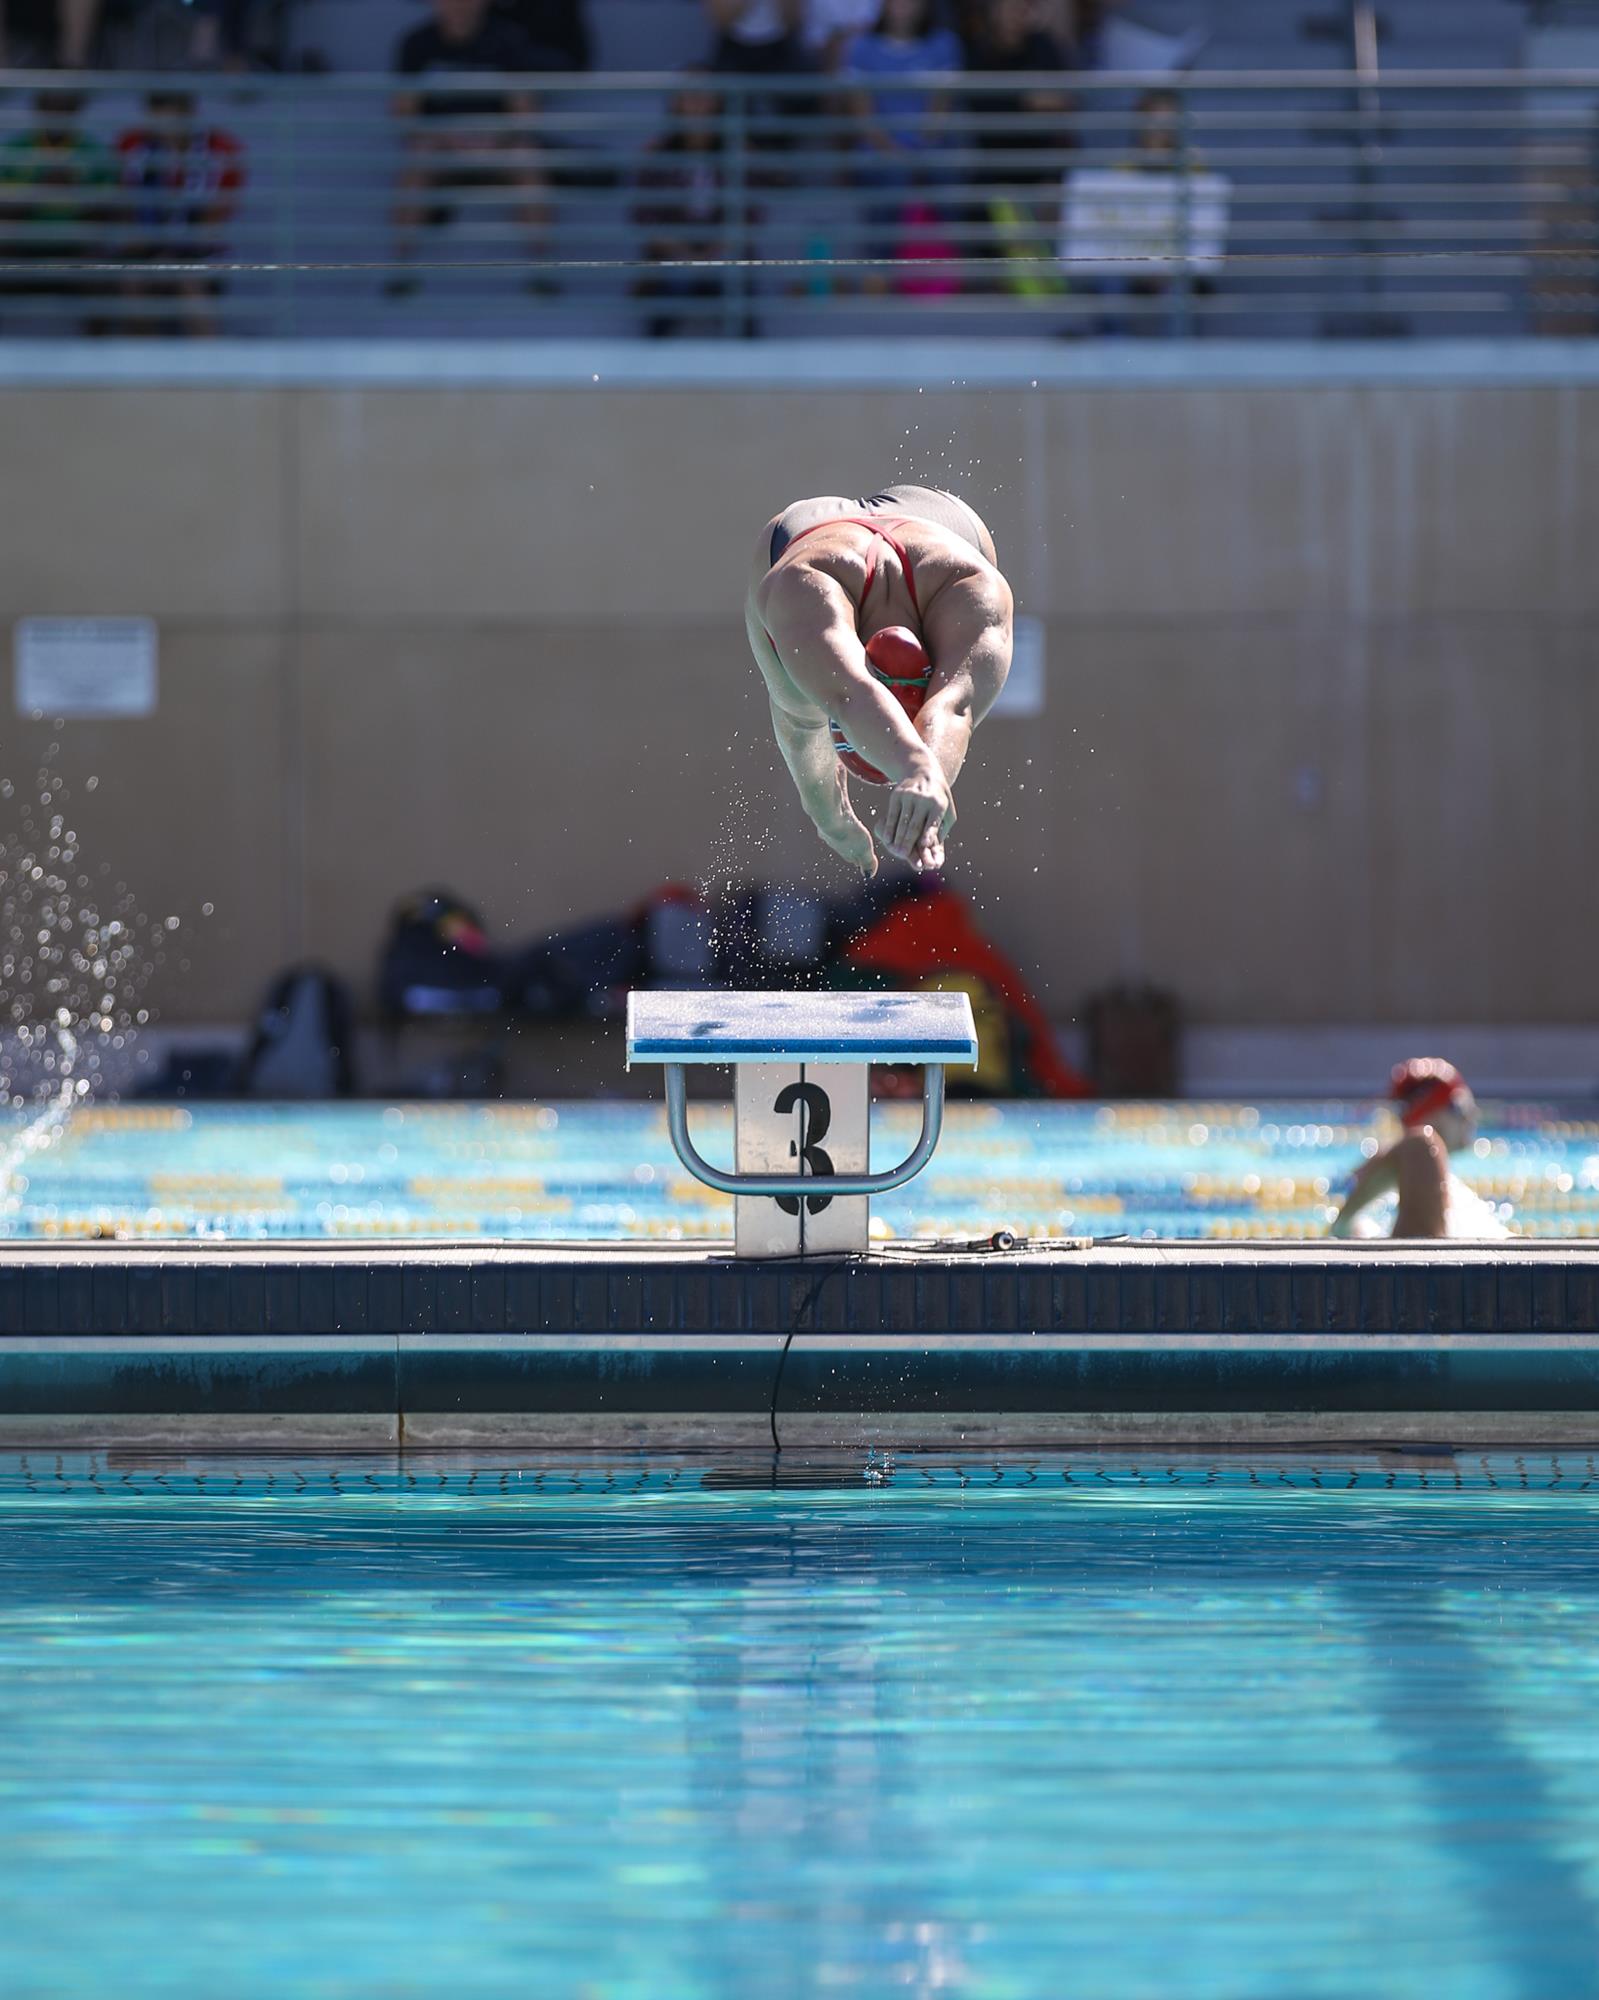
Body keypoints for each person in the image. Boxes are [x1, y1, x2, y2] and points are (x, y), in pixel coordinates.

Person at [744, 485, 1012, 876]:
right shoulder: (973, 584)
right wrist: (923, 773)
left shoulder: (799, 589)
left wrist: (836, 819)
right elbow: (945, 707)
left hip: (934, 527)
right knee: (801, 703)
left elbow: (864, 699)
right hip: (937, 533)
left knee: (797, 703)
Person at [390, 0, 555, 297]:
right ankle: (402, 269)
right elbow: (404, 115)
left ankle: (541, 270)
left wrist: (496, 137)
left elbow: (526, 111)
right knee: (418, 157)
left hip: (498, 147)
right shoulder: (416, 43)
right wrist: (444, 137)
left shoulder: (508, 39)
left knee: (527, 157)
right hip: (441, 150)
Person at [114, 90, 244, 337]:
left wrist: (175, 253)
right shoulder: (132, 146)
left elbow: (212, 224)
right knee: (132, 282)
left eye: (173, 115)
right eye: (157, 114)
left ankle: (209, 363)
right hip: (147, 250)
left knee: (188, 280)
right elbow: (126, 211)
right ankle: (143, 368)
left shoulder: (221, 150)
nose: (165, 124)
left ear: (190, 114)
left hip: (198, 252)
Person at [1329, 1058, 1503, 1241]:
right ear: (1431, 1112)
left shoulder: (1391, 1169)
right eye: (1462, 1106)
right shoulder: (1419, 1150)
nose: (1472, 1116)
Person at [0, 89, 117, 336]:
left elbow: (108, 212)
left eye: (64, 108)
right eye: (51, 107)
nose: (57, 114)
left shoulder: (94, 152)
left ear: (76, 110)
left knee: (103, 273)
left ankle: (98, 359)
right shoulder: (14, 149)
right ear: (39, 108)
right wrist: (38, 190)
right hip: (22, 248)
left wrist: (74, 193)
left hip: (74, 249)